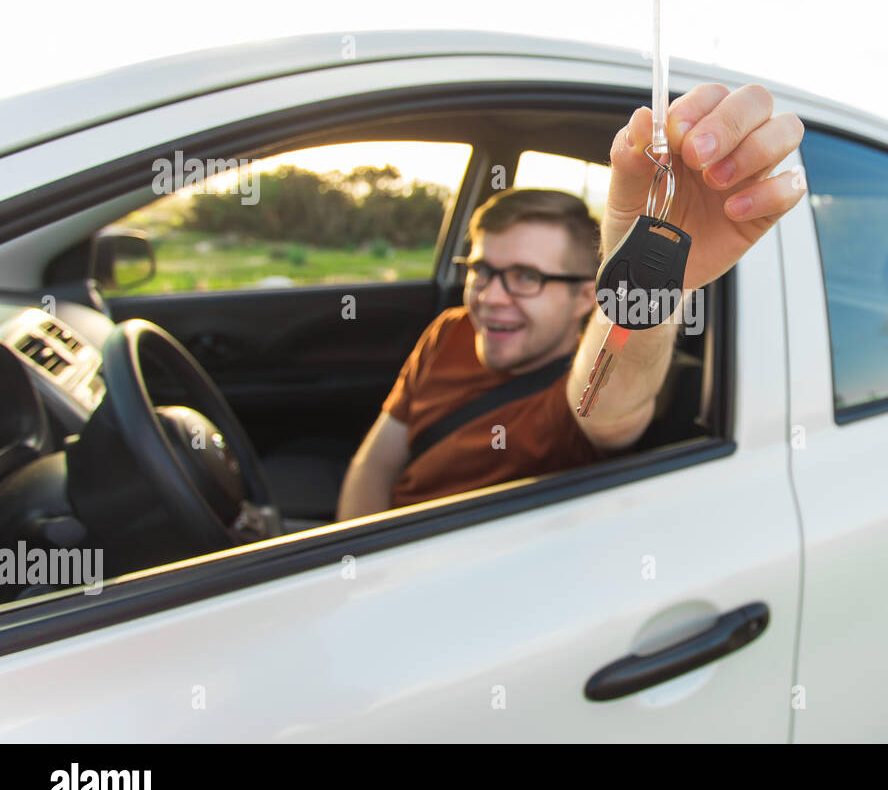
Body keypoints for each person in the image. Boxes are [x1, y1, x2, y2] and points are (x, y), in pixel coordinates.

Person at [335, 82, 805, 520]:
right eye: (481, 269)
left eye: (526, 277)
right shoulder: (451, 330)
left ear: (586, 296)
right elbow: (376, 465)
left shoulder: (571, 402)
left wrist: (652, 276)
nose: (491, 297)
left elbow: (609, 407)